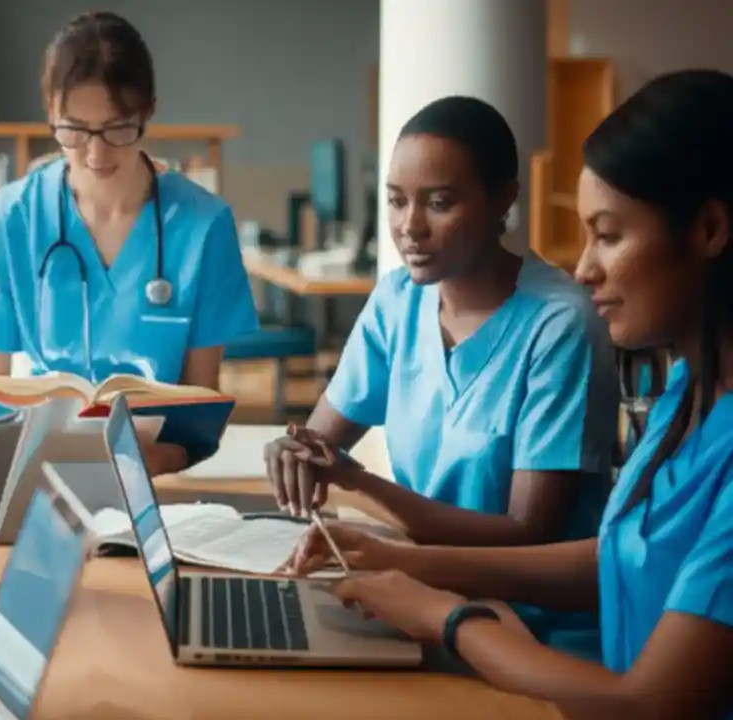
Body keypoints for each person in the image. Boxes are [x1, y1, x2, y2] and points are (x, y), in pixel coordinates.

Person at [283, 68, 733, 719]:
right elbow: (612, 560)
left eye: (608, 235)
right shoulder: (689, 391)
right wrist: (405, 563)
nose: (583, 268)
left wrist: (447, 616)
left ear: (710, 230)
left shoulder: (566, 328)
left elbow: (647, 702)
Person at [265, 95, 618, 656]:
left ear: (504, 197)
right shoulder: (397, 302)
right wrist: (294, 451)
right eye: (397, 202)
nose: (411, 227)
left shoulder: (559, 325)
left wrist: (358, 480)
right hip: (423, 597)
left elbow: (527, 531)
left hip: (529, 629)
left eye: (439, 203)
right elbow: (318, 443)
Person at [0, 11, 259, 473]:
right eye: (74, 130)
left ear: (147, 111)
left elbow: (198, 420)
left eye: (117, 128)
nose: (96, 154)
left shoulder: (203, 227)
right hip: (30, 467)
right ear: (50, 112)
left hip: (151, 472)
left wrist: (147, 462)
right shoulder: (9, 220)